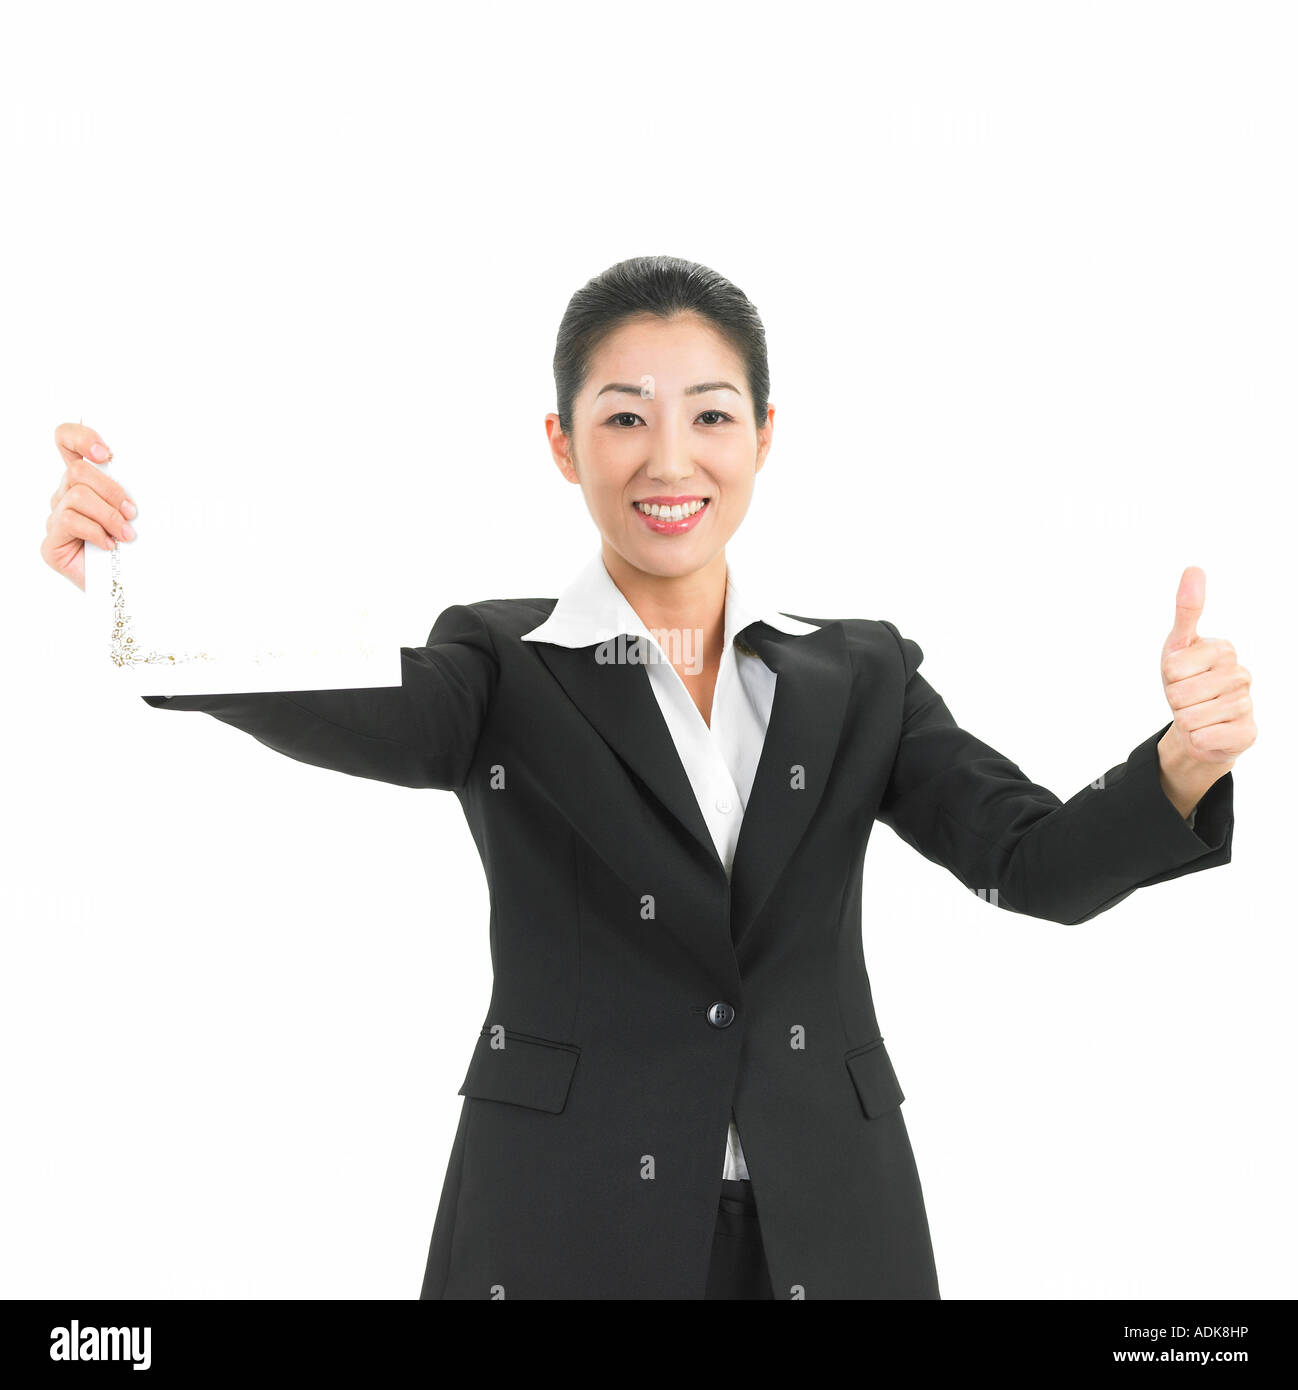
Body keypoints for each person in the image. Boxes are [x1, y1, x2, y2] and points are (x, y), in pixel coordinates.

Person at [42, 255, 1256, 1300]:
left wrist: (1184, 758)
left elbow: (1027, 863)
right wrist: (131, 587)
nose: (668, 457)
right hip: (565, 1218)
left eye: (711, 415)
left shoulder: (860, 673)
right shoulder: (498, 663)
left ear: (765, 436)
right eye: (622, 417)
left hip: (831, 1223)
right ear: (562, 444)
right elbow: (338, 689)